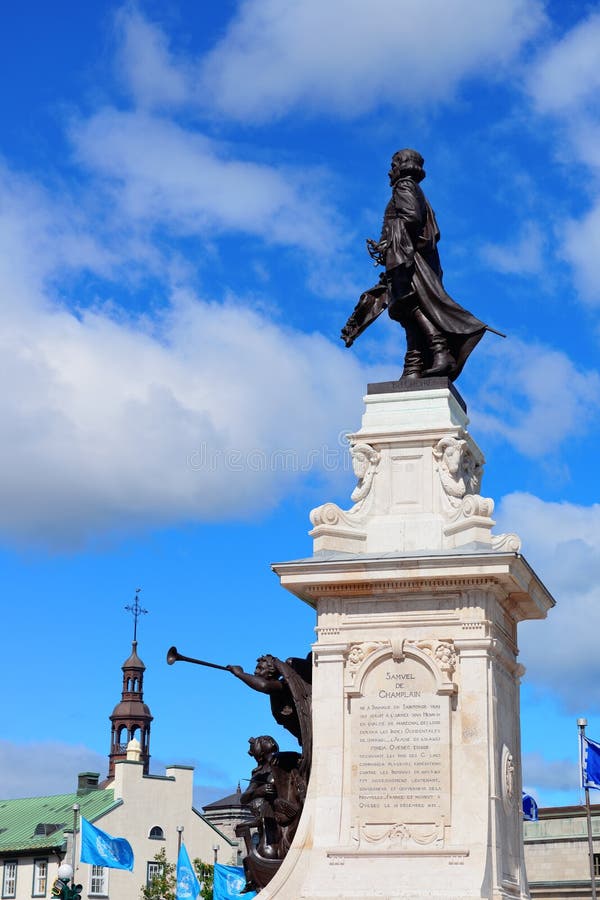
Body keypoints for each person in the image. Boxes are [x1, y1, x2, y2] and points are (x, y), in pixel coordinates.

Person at [342, 148, 493, 381]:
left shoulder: (404, 186)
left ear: (403, 166)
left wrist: (387, 244)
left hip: (408, 260)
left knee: (410, 306)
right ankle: (412, 368)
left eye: (393, 165)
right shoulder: (414, 189)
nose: (390, 171)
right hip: (409, 258)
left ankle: (440, 351)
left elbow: (411, 218)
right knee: (406, 312)